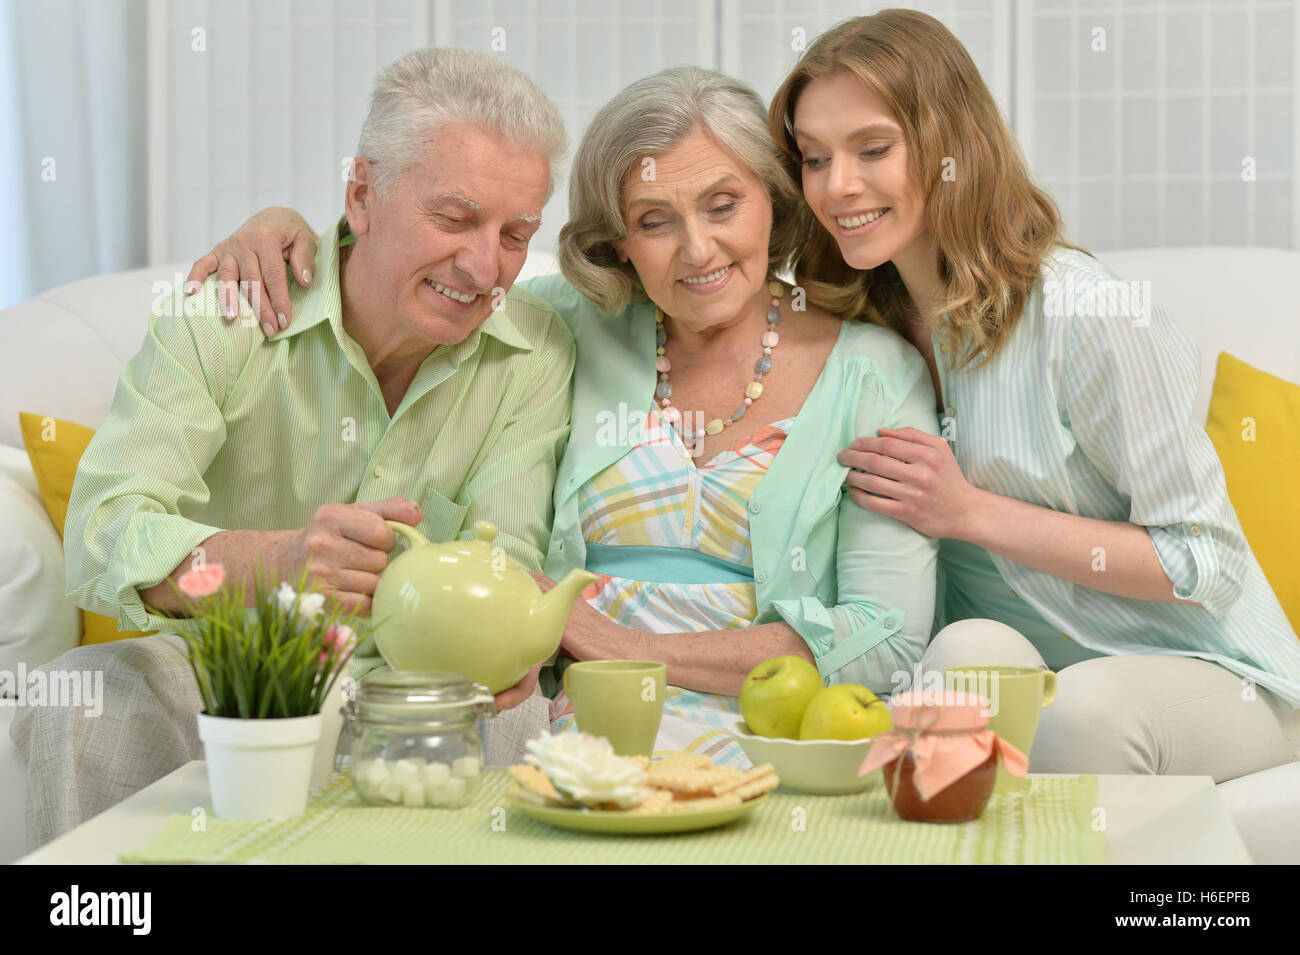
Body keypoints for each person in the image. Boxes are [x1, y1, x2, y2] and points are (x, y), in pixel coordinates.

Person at [185, 66, 939, 768]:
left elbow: (887, 640)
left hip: (774, 731)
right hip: (565, 724)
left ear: (774, 201)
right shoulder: (557, 328)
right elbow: (403, 281)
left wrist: (617, 642)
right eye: (654, 220)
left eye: (723, 204)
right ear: (617, 241)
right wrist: (286, 234)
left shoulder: (873, 374)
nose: (697, 248)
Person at [13, 48, 575, 848]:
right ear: (362, 195)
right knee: (82, 697)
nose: (486, 266)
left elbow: (511, 548)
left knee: (523, 727)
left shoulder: (536, 348)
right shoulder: (227, 310)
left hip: (430, 688)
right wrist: (273, 560)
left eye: (516, 234)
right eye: (454, 219)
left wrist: (510, 632)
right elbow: (106, 525)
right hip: (230, 677)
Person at [773, 10, 1299, 780]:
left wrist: (969, 512)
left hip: (1213, 672)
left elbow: (1204, 562)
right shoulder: (857, 329)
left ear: (952, 147)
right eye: (814, 158)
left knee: (1083, 714)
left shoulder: (1083, 312)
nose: (837, 185)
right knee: (955, 666)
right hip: (1039, 668)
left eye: (873, 148)